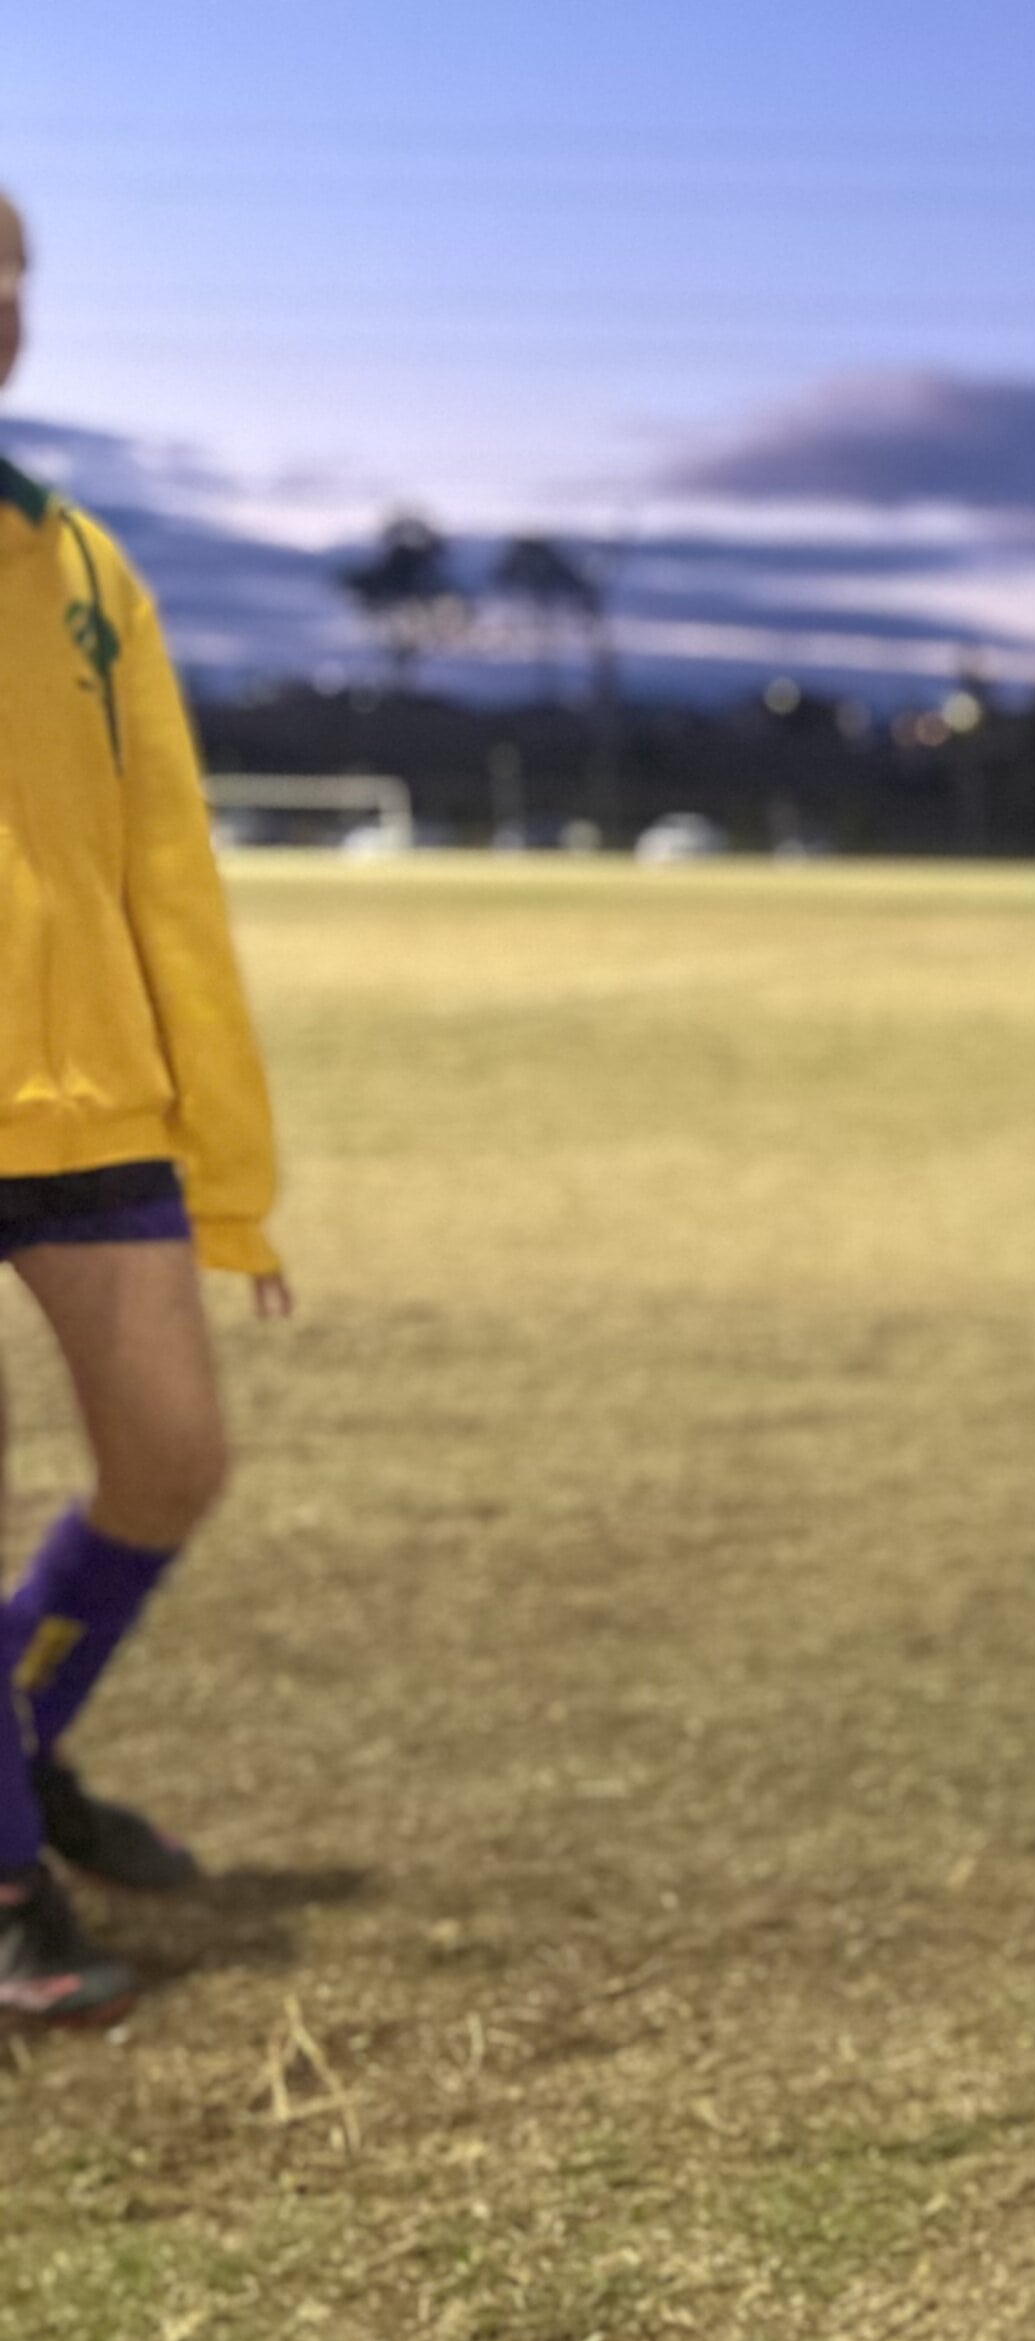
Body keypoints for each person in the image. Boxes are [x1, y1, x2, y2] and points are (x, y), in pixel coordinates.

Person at [0, 188, 293, 2029]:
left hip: (85, 1096)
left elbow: (167, 867)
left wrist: (230, 1173)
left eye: (9, 275)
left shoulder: (86, 571)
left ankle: (13, 1756)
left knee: (173, 1459)